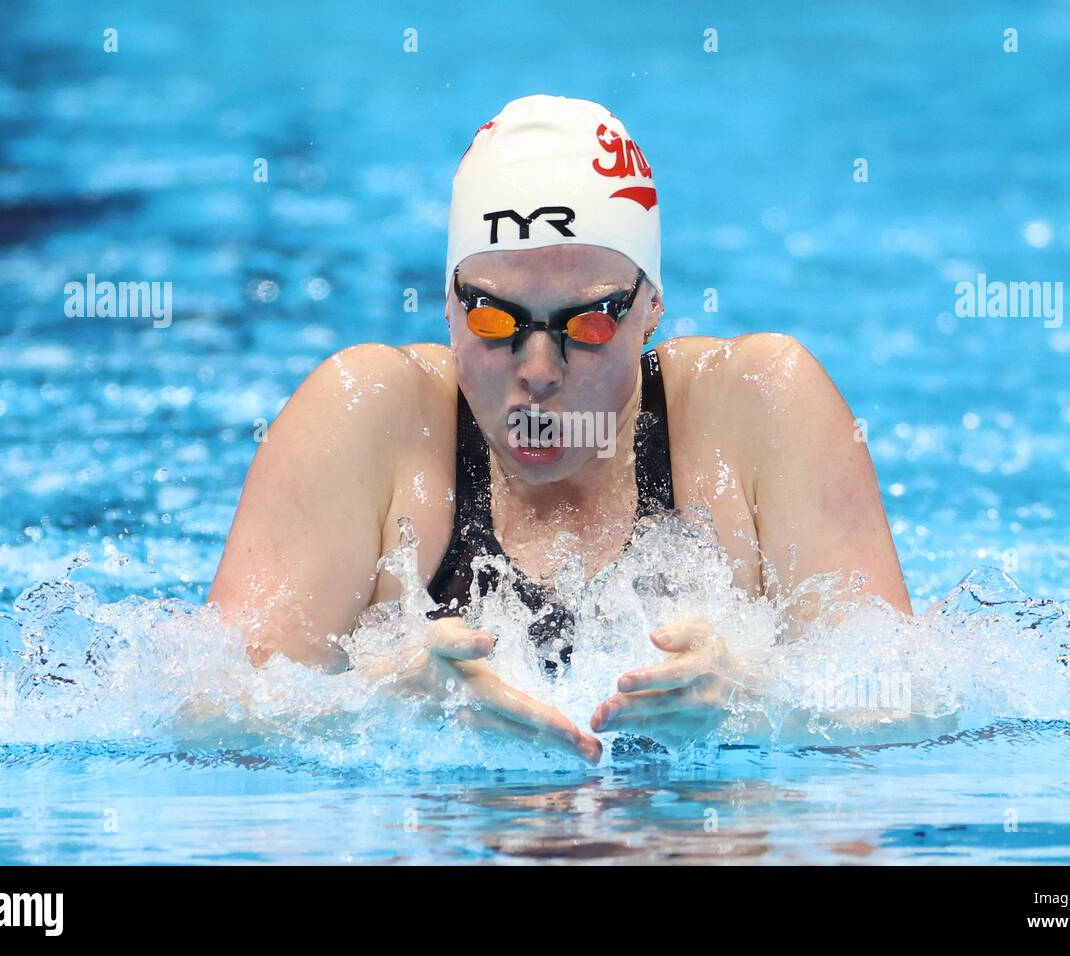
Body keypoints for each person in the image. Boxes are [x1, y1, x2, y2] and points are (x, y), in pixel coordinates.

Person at [208, 94, 912, 763]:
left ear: (652, 308)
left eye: (590, 322)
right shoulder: (364, 414)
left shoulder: (764, 405)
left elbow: (911, 709)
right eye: (493, 319)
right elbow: (196, 720)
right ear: (448, 307)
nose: (539, 371)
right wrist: (382, 701)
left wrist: (753, 699)